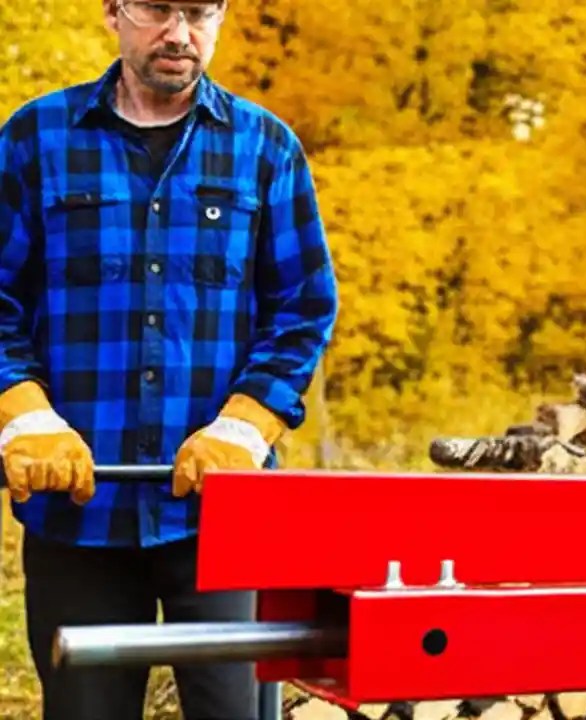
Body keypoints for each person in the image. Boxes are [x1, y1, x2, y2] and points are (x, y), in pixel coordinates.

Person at [0, 1, 339, 718]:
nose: (179, 34)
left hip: (225, 522)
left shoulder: (264, 147)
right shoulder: (35, 139)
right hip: (77, 518)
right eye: (157, 9)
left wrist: (242, 430)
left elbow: (304, 307)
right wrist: (24, 415)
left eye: (199, 12)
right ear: (114, 13)